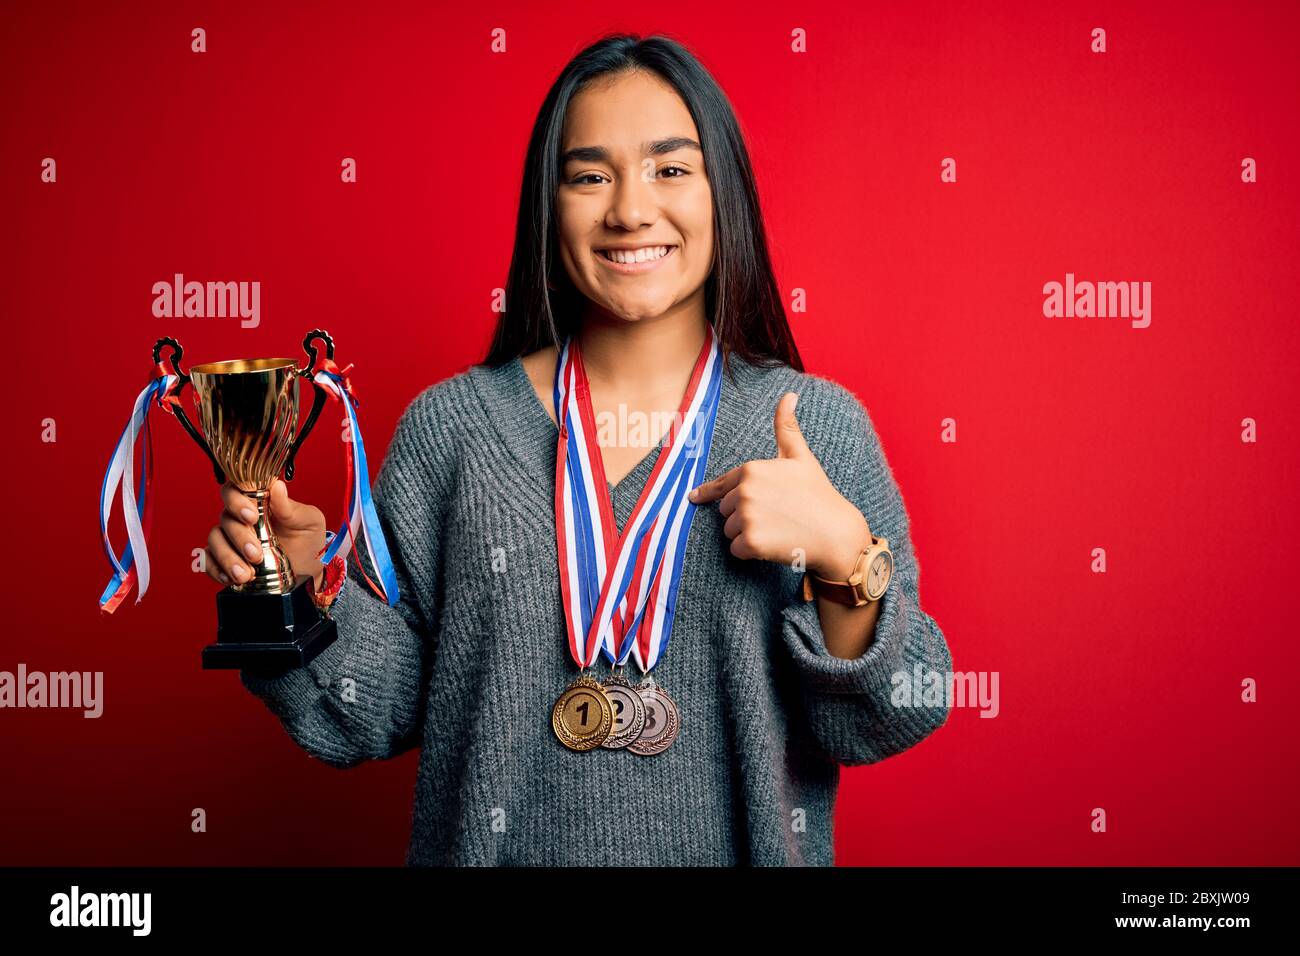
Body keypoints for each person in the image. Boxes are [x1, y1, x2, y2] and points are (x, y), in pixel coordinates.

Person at [208, 33, 952, 866]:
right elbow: (373, 712)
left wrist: (845, 559)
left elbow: (884, 715)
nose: (631, 210)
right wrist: (302, 594)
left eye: (671, 169)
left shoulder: (818, 430)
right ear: (547, 204)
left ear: (724, 194)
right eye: (590, 175)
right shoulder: (452, 430)